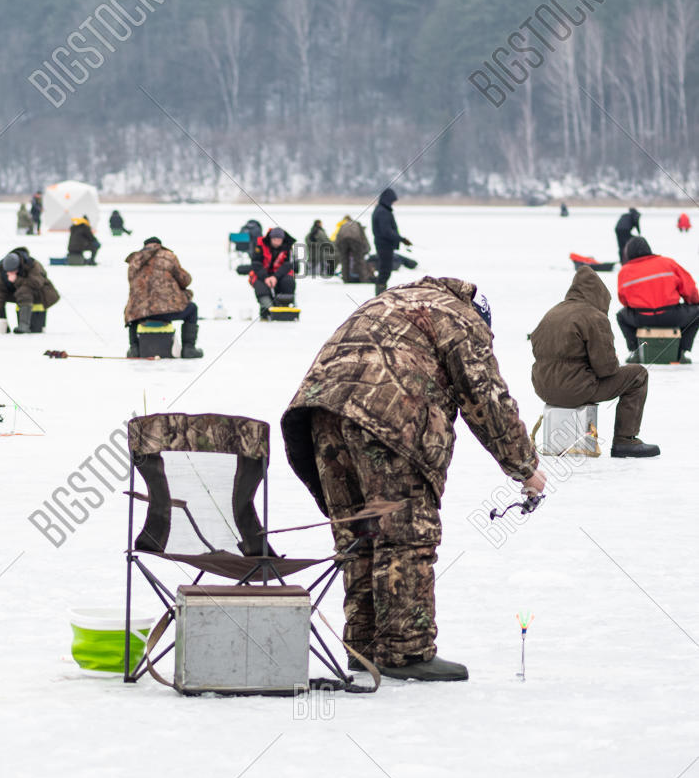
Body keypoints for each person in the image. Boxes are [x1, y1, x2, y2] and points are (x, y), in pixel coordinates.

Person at [282, 278, 545, 681]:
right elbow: (486, 398)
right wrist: (524, 466)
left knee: (359, 533)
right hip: (391, 419)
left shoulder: (390, 301)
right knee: (405, 532)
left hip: (319, 414)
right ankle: (405, 651)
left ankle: (365, 645)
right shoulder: (461, 317)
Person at [530, 264, 658, 458]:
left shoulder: (552, 313)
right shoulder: (593, 316)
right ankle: (625, 440)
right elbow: (607, 369)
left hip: (543, 388)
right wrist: (611, 360)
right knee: (638, 375)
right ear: (600, 295)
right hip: (574, 390)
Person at [616, 237, 699, 364]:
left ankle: (636, 351)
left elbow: (624, 300)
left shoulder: (624, 271)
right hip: (671, 316)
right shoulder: (668, 263)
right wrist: (693, 302)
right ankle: (681, 351)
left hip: (641, 317)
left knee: (621, 316)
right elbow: (689, 289)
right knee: (696, 313)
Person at [124, 236, 200, 359]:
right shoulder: (168, 256)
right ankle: (188, 348)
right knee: (192, 309)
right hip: (168, 311)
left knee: (132, 310)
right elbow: (185, 280)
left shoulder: (135, 260)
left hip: (141, 313)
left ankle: (134, 348)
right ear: (159, 245)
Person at [0, 247, 59, 333]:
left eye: (12, 271)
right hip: (20, 294)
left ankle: (24, 326)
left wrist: (17, 280)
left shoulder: (32, 264)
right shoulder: (2, 268)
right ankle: (3, 325)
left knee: (23, 291)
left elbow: (36, 283)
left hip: (40, 294)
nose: (9, 274)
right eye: (8, 272)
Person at [371, 188, 410, 295]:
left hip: (383, 245)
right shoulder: (383, 212)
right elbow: (386, 231)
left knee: (385, 271)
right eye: (392, 200)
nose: (393, 203)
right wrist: (401, 239)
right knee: (385, 271)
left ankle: (380, 294)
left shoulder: (381, 210)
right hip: (384, 246)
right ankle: (380, 295)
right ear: (387, 200)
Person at [250, 226, 297, 314]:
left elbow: (288, 265)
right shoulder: (260, 245)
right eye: (274, 239)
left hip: (280, 274)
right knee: (259, 284)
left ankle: (285, 305)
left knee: (288, 281)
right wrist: (265, 277)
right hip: (263, 274)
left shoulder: (288, 248)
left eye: (279, 240)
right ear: (270, 238)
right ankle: (267, 307)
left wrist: (275, 277)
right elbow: (256, 263)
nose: (277, 242)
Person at [333, 216, 370, 283]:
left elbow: (337, 238)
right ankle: (364, 279)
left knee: (344, 261)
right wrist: (366, 249)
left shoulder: (343, 225)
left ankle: (346, 279)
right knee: (359, 260)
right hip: (355, 240)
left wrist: (339, 249)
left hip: (342, 241)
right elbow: (363, 238)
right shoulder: (357, 224)